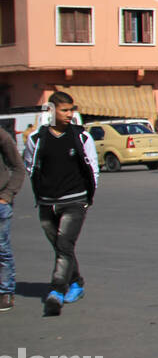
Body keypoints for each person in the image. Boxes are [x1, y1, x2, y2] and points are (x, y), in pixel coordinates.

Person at [22, 92, 99, 316]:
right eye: (64, 110)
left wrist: (88, 197)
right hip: (47, 203)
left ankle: (57, 291)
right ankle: (76, 282)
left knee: (64, 245)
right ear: (51, 110)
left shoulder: (82, 137)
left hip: (74, 200)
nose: (69, 114)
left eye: (71, 109)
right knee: (61, 247)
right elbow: (30, 165)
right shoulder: (36, 139)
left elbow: (92, 167)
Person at [0, 124, 25, 312]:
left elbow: (18, 167)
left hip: (0, 202)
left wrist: (6, 196)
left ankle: (5, 291)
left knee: (1, 249)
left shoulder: (2, 136)